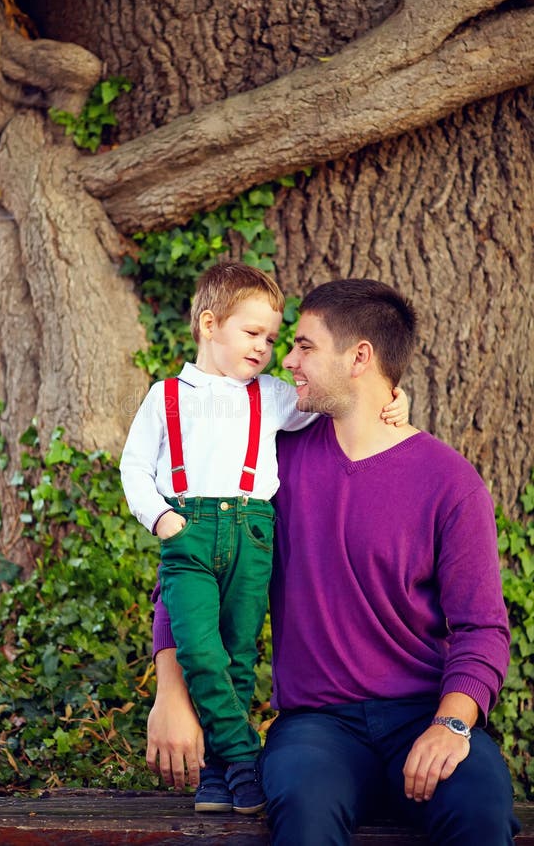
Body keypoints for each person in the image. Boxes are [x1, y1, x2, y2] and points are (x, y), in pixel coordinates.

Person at [147, 278, 520, 845]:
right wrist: (171, 693)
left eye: (304, 346)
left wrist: (451, 725)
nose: (286, 361)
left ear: (359, 358)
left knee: (482, 811)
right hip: (316, 727)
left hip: (423, 712)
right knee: (303, 808)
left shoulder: (449, 482)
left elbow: (482, 628)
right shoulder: (271, 463)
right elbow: (194, 563)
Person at [120, 264, 408, 815]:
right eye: (253, 334)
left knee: (237, 657)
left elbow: (338, 404)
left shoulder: (274, 396)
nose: (266, 348)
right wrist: (161, 520)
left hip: (252, 535)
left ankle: (216, 773)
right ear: (209, 324)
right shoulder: (166, 397)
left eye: (273, 339)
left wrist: (393, 400)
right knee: (199, 652)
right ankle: (245, 756)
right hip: (188, 534)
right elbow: (134, 468)